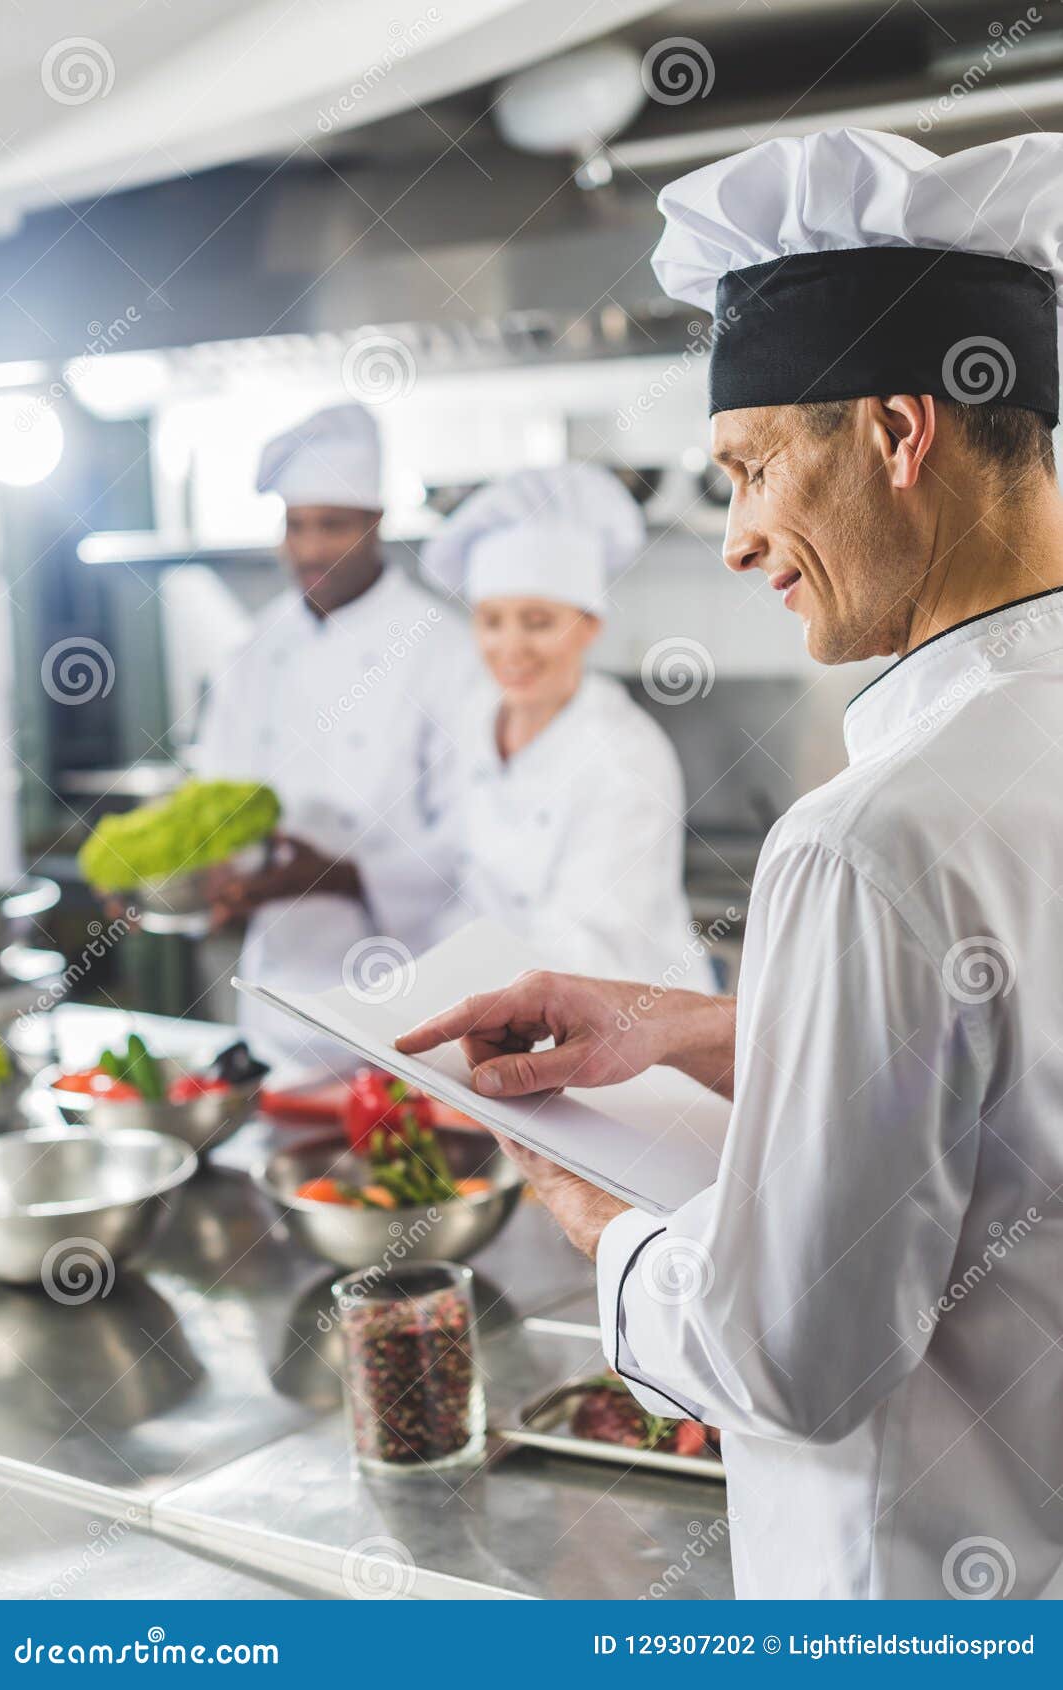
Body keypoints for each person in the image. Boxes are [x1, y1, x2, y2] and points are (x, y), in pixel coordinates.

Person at [396, 129, 1063, 1600]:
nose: (747, 535)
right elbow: (1023, 1094)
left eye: (754, 468)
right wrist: (702, 1026)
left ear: (901, 432)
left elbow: (789, 1357)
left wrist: (596, 1215)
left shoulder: (868, 841)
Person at [196, 401, 472, 1062]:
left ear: (376, 522)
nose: (310, 547)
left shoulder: (445, 649)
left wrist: (345, 876)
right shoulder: (255, 649)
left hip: (410, 997)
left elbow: (472, 844)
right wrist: (200, 876)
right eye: (296, 526)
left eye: (331, 525)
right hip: (276, 1009)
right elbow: (214, 796)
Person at [421, 462, 715, 987]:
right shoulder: (471, 720)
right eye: (491, 620)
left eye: (538, 622)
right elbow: (451, 877)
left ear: (588, 627)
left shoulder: (625, 754)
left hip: (625, 1036)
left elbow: (586, 947)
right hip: (501, 1006)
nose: (511, 648)